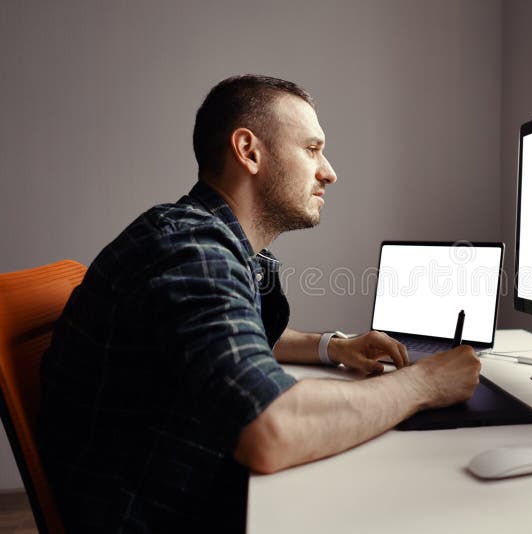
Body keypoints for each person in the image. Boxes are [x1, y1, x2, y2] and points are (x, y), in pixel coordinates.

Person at [38, 75, 481, 533]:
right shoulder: (191, 250)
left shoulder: (209, 239)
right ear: (248, 151)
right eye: (312, 149)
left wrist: (333, 346)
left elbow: (230, 341)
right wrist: (425, 384)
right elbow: (270, 431)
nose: (329, 171)